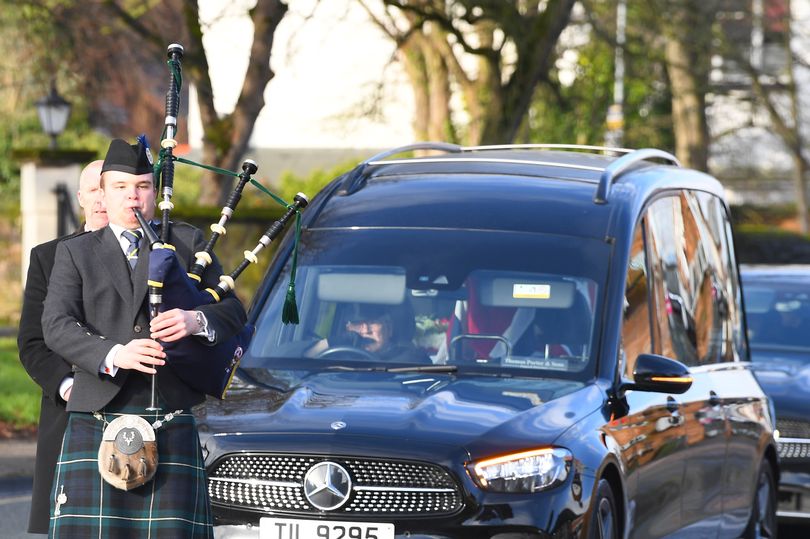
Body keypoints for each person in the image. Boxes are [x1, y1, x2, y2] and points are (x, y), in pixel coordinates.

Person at [41, 138, 246, 538]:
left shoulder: (188, 243)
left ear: (155, 191)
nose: (132, 196)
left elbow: (233, 310)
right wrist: (115, 352)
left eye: (142, 186)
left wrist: (194, 319)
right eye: (120, 187)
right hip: (99, 411)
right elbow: (56, 324)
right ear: (103, 192)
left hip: (169, 411)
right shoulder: (76, 252)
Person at [17, 159, 107, 534]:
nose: (102, 198)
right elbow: (33, 341)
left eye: (111, 188)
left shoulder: (156, 253)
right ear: (81, 199)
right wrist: (69, 387)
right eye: (94, 190)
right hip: (67, 409)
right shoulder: (48, 257)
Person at [325, 303, 431, 363]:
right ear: (347, 329)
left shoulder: (412, 359)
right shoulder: (337, 357)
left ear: (389, 328)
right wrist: (333, 342)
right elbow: (309, 359)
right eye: (357, 324)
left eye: (372, 322)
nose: (366, 331)